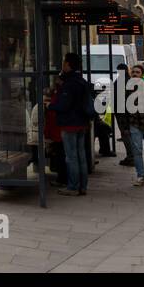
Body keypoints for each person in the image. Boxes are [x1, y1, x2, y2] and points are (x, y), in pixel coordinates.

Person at [51, 53, 93, 196]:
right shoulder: (81, 81)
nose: (63, 65)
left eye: (64, 63)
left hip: (70, 124)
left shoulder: (70, 84)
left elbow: (64, 105)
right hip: (82, 123)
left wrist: (50, 106)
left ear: (68, 65)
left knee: (71, 157)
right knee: (81, 155)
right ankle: (83, 186)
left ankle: (73, 186)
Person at [114, 63, 134, 167]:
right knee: (130, 134)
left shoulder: (120, 82)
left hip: (122, 113)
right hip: (130, 112)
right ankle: (132, 156)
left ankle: (131, 157)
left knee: (126, 134)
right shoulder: (130, 80)